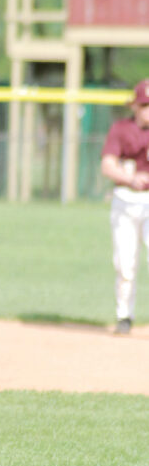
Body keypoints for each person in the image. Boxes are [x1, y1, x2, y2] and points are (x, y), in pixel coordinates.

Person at [101, 78, 149, 335]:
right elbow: (108, 165)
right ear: (135, 106)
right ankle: (124, 316)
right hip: (126, 200)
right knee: (125, 263)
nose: (147, 110)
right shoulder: (121, 129)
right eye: (144, 105)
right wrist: (131, 178)